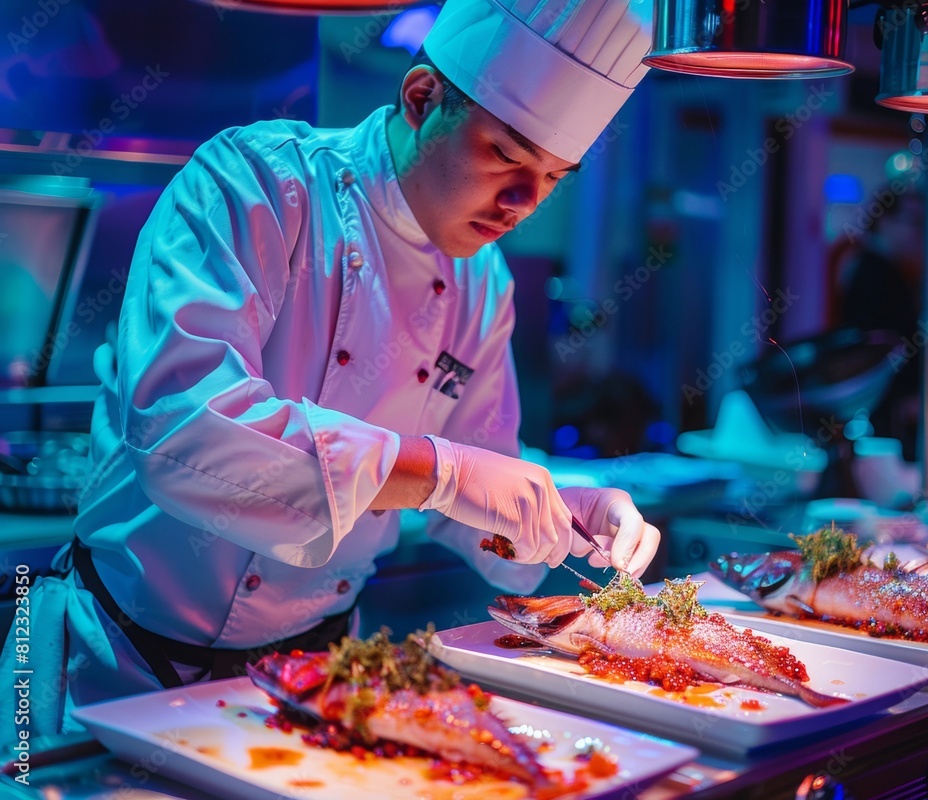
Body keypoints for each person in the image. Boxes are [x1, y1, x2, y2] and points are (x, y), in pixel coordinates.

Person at [0, 0, 659, 738]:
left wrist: (563, 512)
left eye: (553, 178)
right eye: (506, 156)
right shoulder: (254, 184)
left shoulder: (483, 284)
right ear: (421, 99)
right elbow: (182, 426)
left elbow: (480, 485)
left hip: (318, 682)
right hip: (113, 663)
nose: (522, 203)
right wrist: (439, 470)